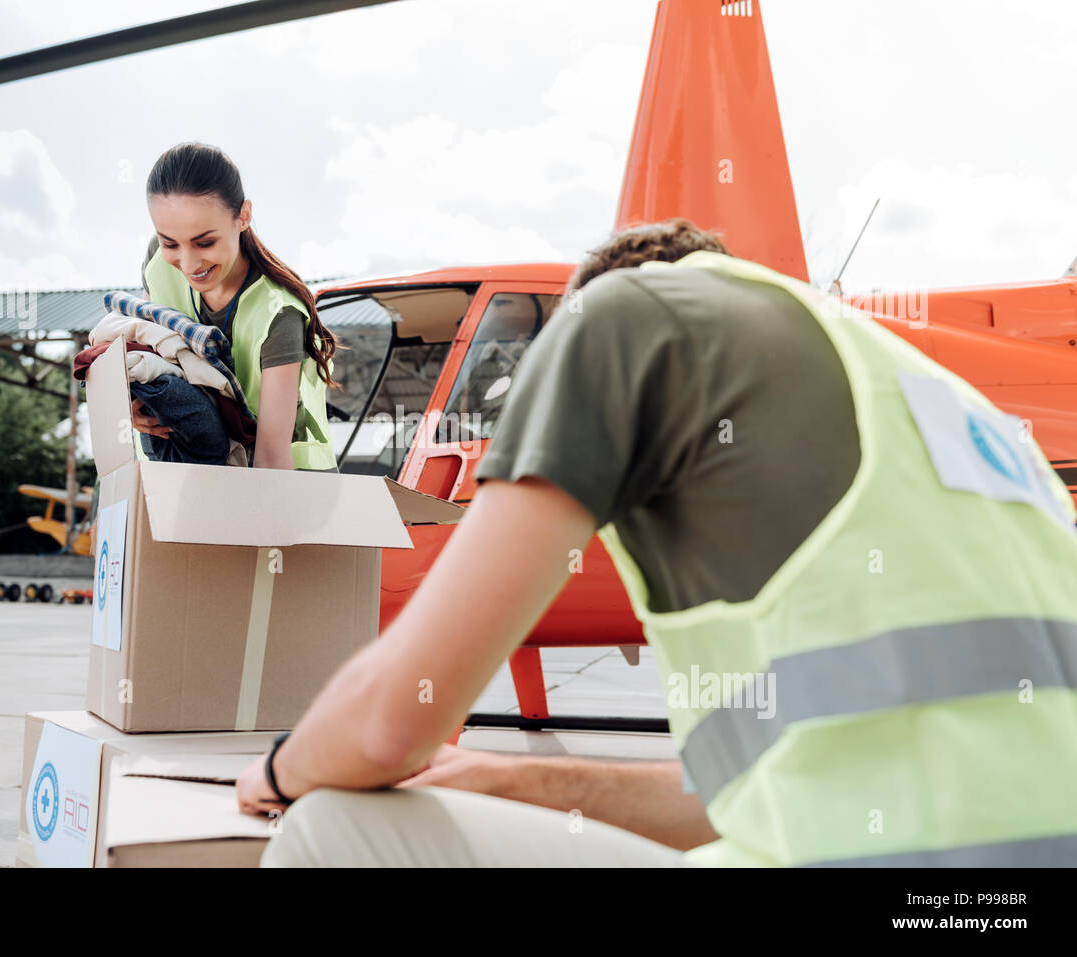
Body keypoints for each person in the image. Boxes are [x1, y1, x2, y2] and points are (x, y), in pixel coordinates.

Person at [235, 219, 1077, 866]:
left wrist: (277, 770)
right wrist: (506, 780)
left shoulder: (625, 317)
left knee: (337, 828)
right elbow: (753, 797)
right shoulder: (938, 404)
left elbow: (392, 718)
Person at [135, 142, 342, 471]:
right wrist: (131, 406)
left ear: (243, 217)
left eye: (205, 242)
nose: (188, 264)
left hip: (286, 483)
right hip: (198, 469)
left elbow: (272, 457)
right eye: (170, 242)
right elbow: (143, 345)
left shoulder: (279, 314)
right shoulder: (157, 263)